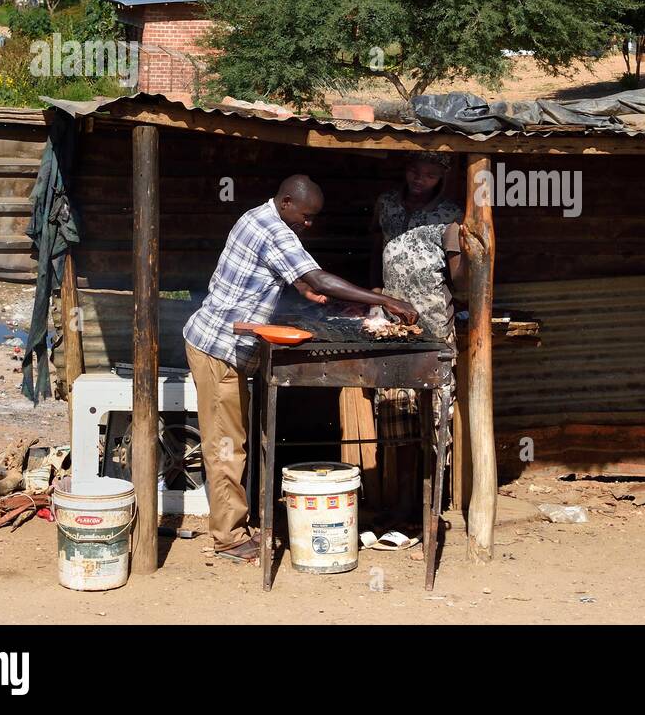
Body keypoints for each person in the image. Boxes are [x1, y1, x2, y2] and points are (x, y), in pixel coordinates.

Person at [183, 174, 417, 564]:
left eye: (313, 219)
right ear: (287, 201)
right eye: (306, 217)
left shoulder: (258, 216)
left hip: (226, 345)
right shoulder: (275, 229)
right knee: (226, 446)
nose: (309, 225)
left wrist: (303, 289)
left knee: (234, 441)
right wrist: (386, 300)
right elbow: (318, 276)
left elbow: (283, 276)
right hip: (219, 348)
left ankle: (237, 525)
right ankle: (228, 538)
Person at [367, 153, 467, 521]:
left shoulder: (450, 213)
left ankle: (432, 503)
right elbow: (375, 249)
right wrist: (374, 296)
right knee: (396, 413)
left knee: (436, 413)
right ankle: (404, 502)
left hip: (434, 328)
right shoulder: (387, 204)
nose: (419, 179)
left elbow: (460, 278)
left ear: (442, 175)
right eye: (413, 171)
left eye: (429, 173)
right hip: (391, 328)